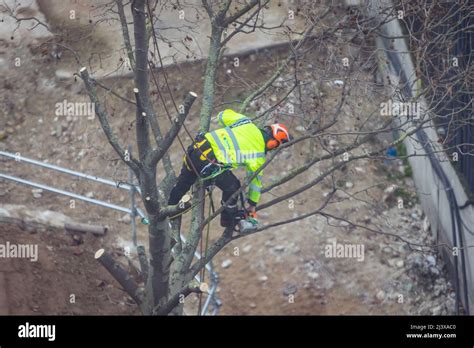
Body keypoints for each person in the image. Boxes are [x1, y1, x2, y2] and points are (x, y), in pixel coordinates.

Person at [168, 109, 291, 228]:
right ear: (273, 143)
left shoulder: (244, 122)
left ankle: (168, 212)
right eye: (274, 146)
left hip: (195, 149)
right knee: (233, 187)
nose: (272, 148)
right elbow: (255, 182)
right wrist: (252, 204)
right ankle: (228, 219)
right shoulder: (259, 156)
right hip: (208, 162)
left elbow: (223, 115)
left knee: (182, 184)